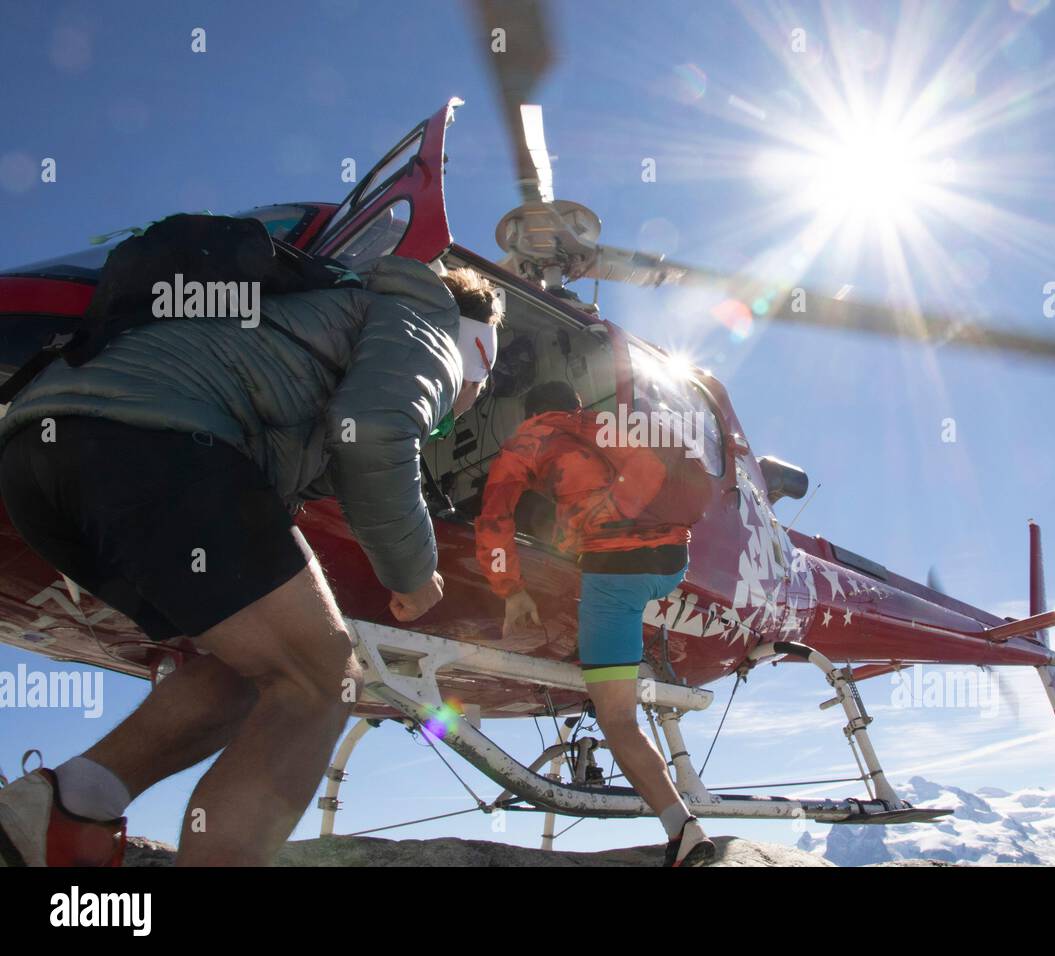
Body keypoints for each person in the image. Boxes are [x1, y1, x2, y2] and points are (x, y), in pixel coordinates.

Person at [0, 255, 500, 867]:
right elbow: (371, 434)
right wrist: (413, 572)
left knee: (252, 666)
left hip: (39, 461)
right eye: (484, 377)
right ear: (476, 347)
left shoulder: (335, 316)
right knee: (325, 679)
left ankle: (67, 808)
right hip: (149, 440)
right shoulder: (426, 321)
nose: (473, 398)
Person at [474, 380, 715, 867]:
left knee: (619, 719)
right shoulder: (604, 424)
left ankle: (683, 829)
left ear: (531, 414)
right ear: (575, 405)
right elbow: (652, 467)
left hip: (616, 577)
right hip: (673, 563)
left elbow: (494, 517)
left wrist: (511, 589)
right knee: (631, 590)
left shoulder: (526, 441)